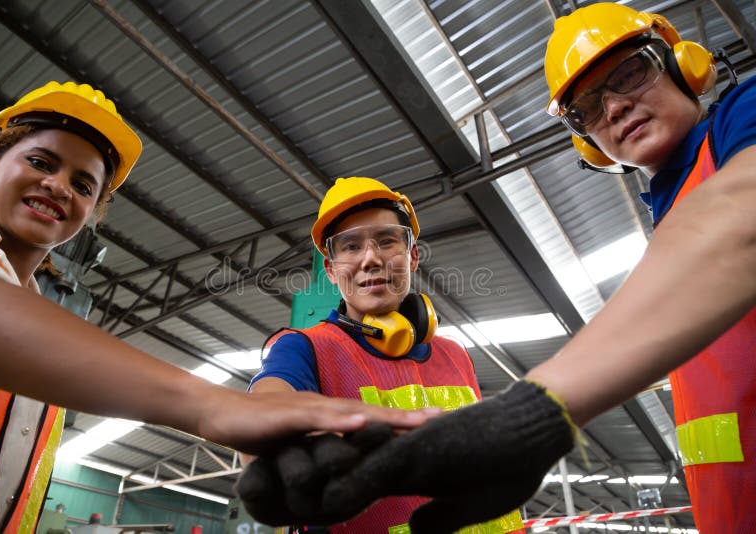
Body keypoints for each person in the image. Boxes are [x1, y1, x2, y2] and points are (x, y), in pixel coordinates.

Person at [287, 4, 755, 533]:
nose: (615, 107)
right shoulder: (673, 206)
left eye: (628, 73)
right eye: (587, 108)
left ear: (682, 62)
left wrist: (537, 410)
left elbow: (738, 220)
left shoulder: (745, 114)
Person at [0, 82, 434, 533]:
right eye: (41, 161)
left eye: (83, 185)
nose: (60, 186)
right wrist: (219, 408)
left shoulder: (41, 323)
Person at [245, 176, 525, 533]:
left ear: (412, 256)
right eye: (350, 247)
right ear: (331, 270)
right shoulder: (305, 348)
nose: (371, 259)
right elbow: (267, 402)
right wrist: (275, 447)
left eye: (387, 241)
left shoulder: (454, 354)